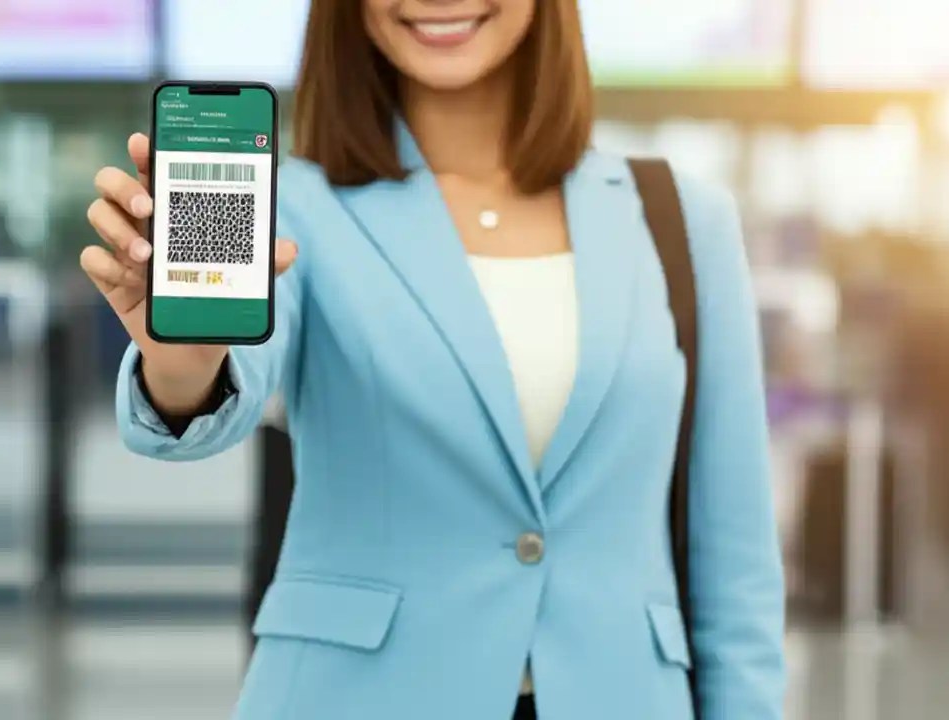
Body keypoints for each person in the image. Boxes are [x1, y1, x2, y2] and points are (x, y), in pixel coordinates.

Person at [82, 0, 785, 717]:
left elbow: (738, 577)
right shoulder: (293, 210)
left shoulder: (681, 220)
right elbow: (227, 382)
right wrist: (180, 361)